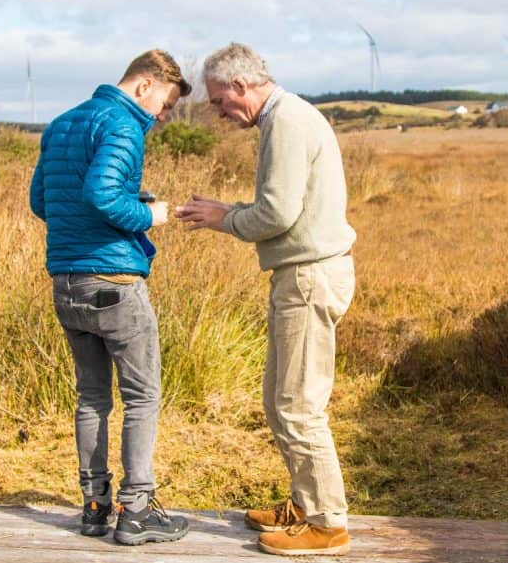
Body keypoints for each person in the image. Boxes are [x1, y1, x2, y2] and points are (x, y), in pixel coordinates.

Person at [175, 43, 356, 556]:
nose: (217, 111)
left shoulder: (287, 122)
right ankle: (304, 506)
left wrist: (224, 218)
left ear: (240, 87)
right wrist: (230, 210)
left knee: (298, 407)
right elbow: (282, 210)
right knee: (279, 404)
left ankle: (327, 523)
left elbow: (277, 214)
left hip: (307, 277)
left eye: (216, 101)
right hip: (302, 275)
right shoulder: (286, 118)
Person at [29, 49, 191, 546]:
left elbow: (43, 200)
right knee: (142, 397)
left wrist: (120, 203)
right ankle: (137, 513)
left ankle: (95, 508)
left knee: (92, 396)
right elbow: (101, 194)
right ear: (145, 85)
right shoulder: (121, 124)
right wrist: (149, 215)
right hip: (115, 284)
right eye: (164, 104)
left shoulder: (61, 124)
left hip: (66, 282)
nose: (162, 117)